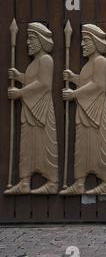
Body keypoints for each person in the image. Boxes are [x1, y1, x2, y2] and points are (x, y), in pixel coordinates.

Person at [5, 23, 58, 194]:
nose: (28, 42)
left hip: (41, 110)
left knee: (45, 145)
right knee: (27, 145)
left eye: (31, 38)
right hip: (30, 109)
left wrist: (20, 92)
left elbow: (44, 84)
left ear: (41, 41)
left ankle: (51, 183)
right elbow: (32, 80)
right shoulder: (35, 62)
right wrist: (19, 77)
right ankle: (24, 182)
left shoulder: (46, 60)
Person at [60, 24, 106, 195]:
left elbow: (98, 86)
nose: (83, 44)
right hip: (84, 109)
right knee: (82, 145)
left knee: (99, 145)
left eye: (86, 40)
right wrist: (75, 78)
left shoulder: (100, 61)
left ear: (96, 42)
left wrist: (74, 93)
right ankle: (80, 182)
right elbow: (87, 81)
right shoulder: (90, 63)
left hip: (95, 110)